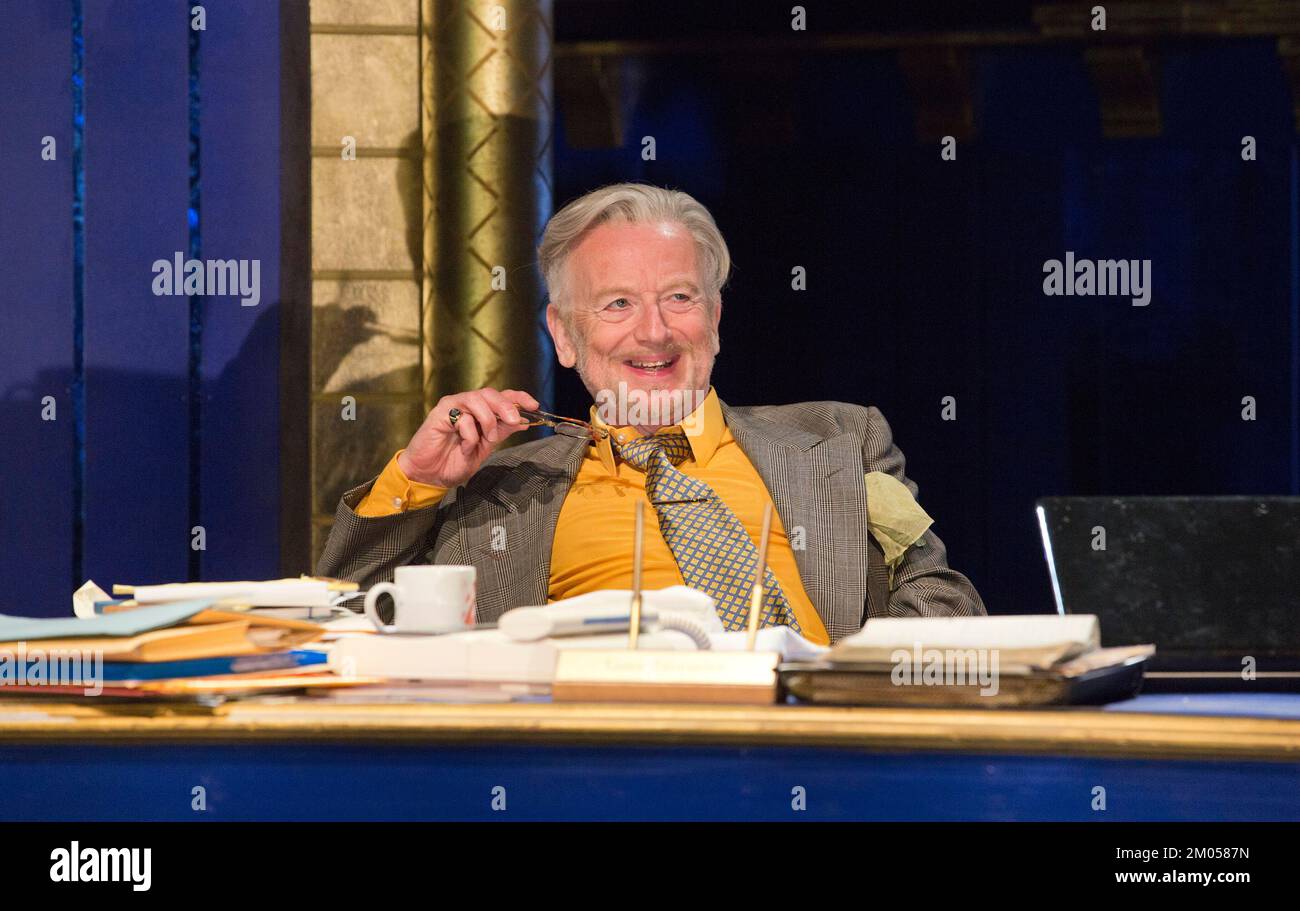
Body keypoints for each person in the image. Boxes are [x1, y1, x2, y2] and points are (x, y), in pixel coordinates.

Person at [317, 183, 984, 643]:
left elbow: (939, 604)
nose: (655, 332)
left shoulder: (842, 440)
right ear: (564, 336)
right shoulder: (494, 491)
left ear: (716, 319)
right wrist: (418, 480)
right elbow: (345, 627)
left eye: (679, 298)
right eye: (617, 305)